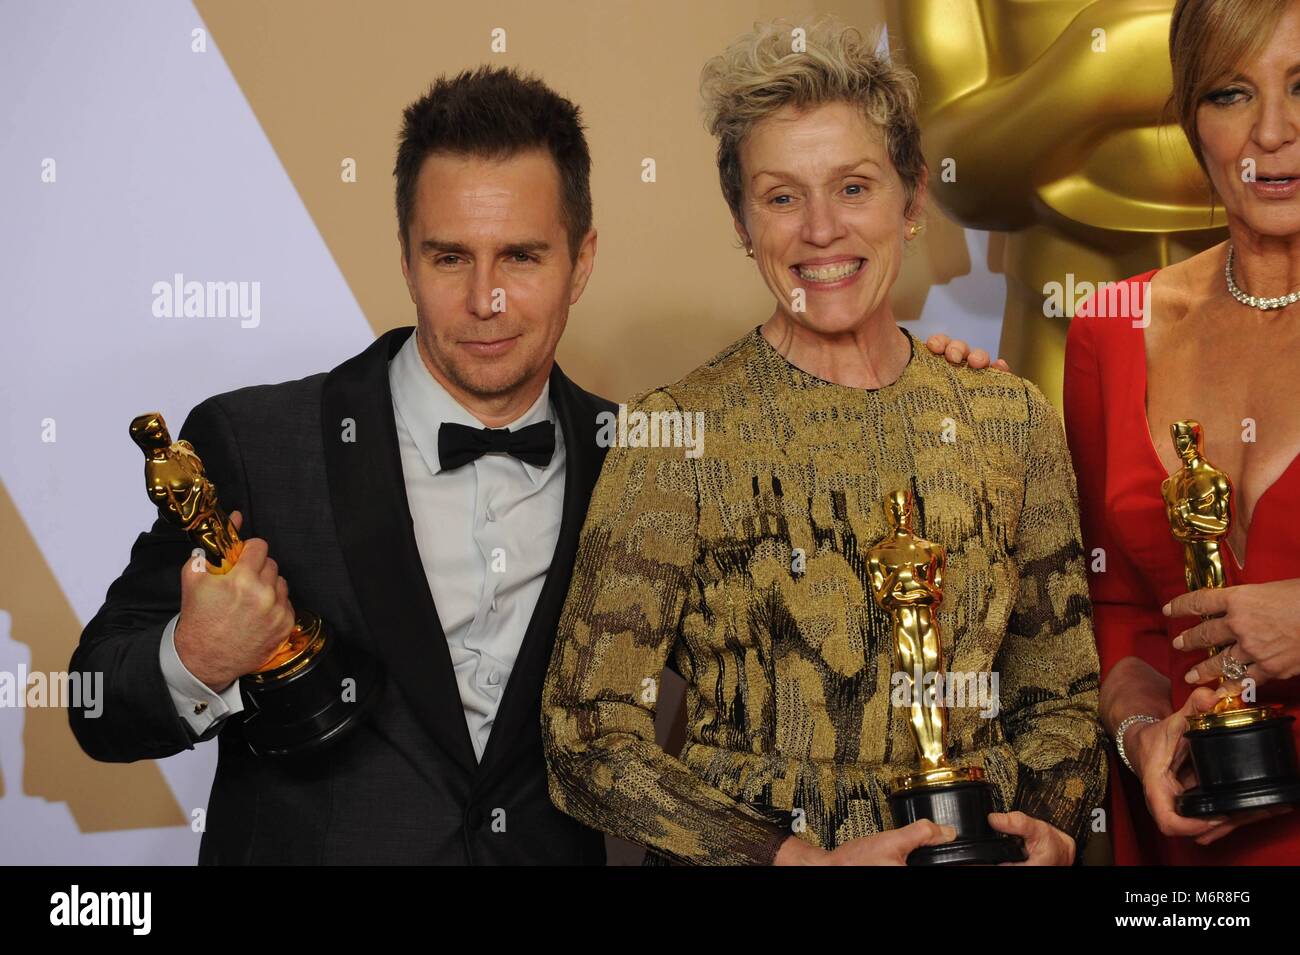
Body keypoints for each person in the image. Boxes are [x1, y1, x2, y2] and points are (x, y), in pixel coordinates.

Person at [541, 18, 1107, 865]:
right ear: (741, 221)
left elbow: (1061, 696)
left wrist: (1050, 830)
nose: (820, 230)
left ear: (912, 200)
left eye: (853, 187)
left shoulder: (1009, 417)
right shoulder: (673, 434)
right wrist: (788, 859)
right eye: (780, 197)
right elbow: (586, 737)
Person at [68, 66, 616, 864]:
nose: (485, 299)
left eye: (522, 257)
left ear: (583, 259)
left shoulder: (635, 460)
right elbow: (93, 702)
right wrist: (198, 654)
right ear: (404, 257)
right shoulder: (253, 441)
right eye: (450, 257)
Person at [1063, 0, 1300, 865]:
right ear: (1192, 119)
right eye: (1232, 93)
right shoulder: (1109, 330)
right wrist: (1138, 736)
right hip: (1191, 847)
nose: (1272, 131)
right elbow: (1114, 608)